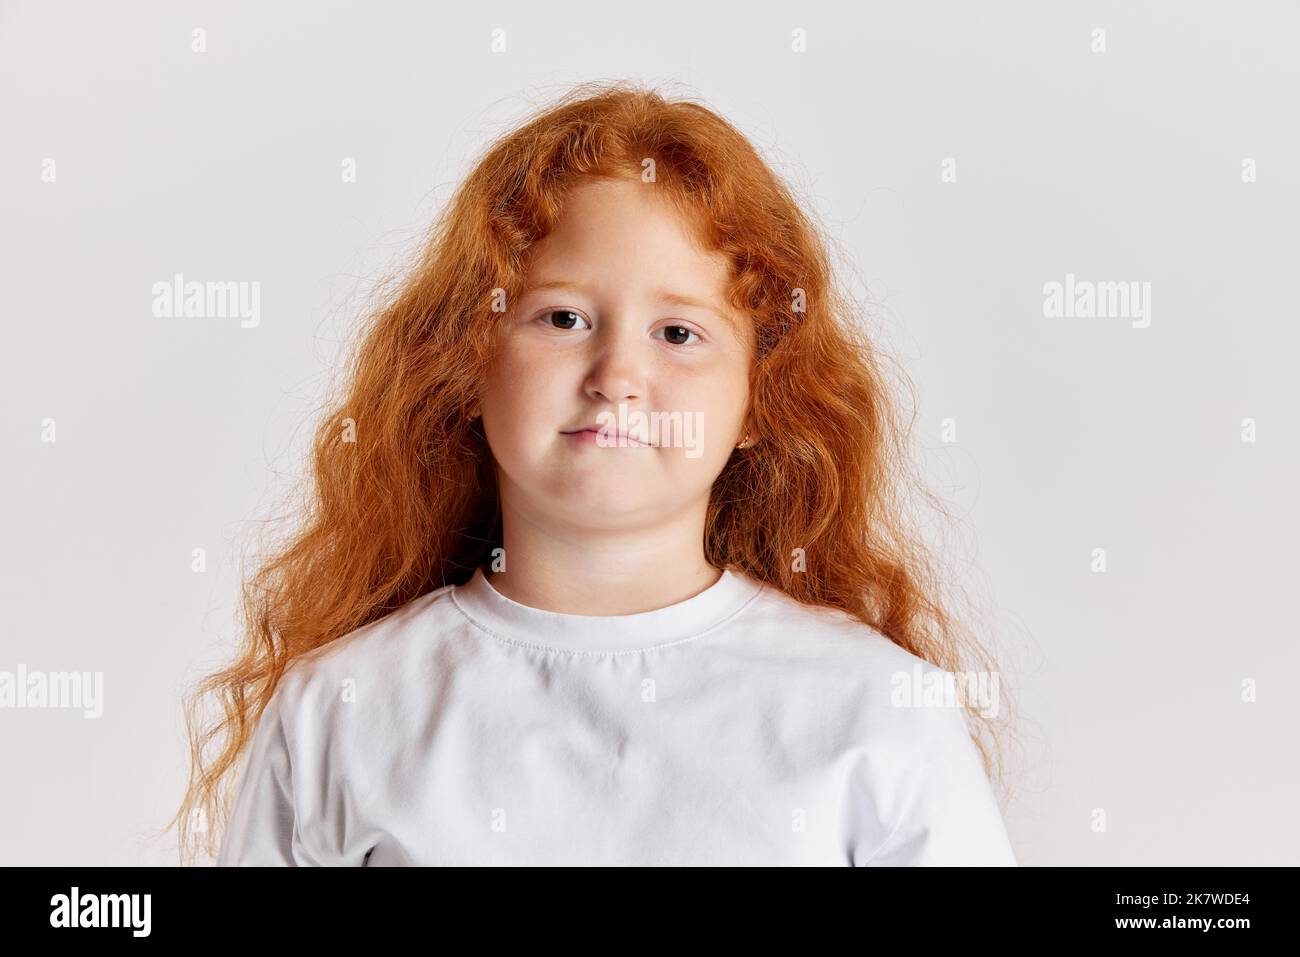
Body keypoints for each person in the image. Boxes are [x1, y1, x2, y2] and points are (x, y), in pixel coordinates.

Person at [173, 81, 1017, 866]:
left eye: (678, 333)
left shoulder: (879, 709)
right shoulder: (340, 710)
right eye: (565, 317)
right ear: (465, 364)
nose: (617, 373)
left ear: (762, 396)